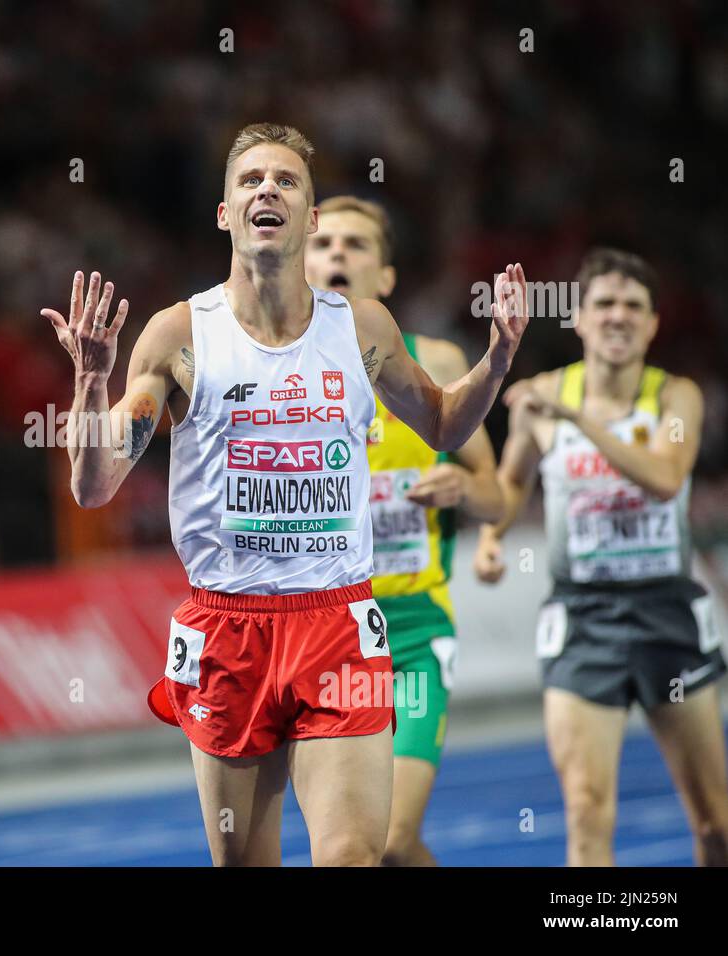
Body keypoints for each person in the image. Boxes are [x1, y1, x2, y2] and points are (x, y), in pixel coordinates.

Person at [42, 122, 529, 866]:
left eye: (287, 181)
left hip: (336, 621)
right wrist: (90, 380)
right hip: (229, 630)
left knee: (355, 855)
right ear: (224, 212)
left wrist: (495, 363)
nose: (267, 189)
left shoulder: (361, 326)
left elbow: (440, 425)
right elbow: (93, 483)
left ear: (308, 217)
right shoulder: (179, 334)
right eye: (249, 181)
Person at [474, 247, 728, 866]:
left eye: (634, 307)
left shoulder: (675, 398)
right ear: (580, 319)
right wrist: (490, 535)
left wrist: (578, 419)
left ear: (653, 324)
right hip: (583, 617)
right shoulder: (544, 400)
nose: (619, 317)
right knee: (587, 807)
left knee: (717, 825)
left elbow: (667, 479)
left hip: (667, 611)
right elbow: (512, 486)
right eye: (605, 304)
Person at [304, 196, 503, 865]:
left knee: (386, 838)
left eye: (356, 245)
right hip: (323, 633)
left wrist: (463, 487)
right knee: (364, 847)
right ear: (301, 261)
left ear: (386, 278)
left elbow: (498, 498)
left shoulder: (435, 361)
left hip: (412, 631)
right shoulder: (270, 371)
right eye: (324, 242)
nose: (337, 255)